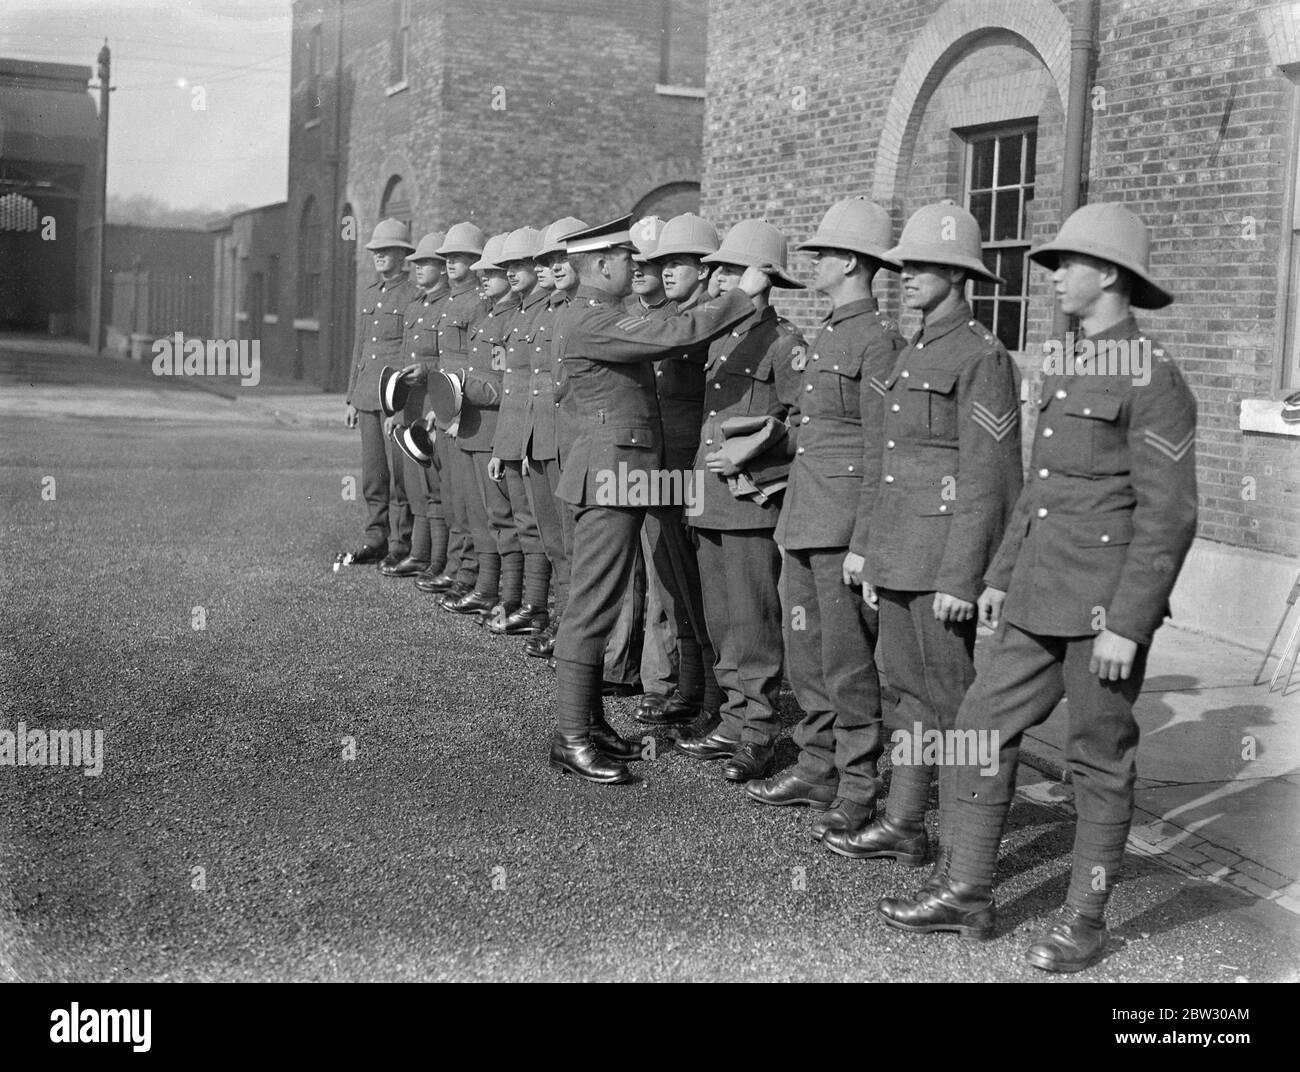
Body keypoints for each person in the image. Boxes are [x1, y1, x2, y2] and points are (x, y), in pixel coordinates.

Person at [878, 202, 1197, 974]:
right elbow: (1039, 490)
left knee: (1098, 760)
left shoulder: (1155, 378)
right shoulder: (1066, 362)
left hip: (1102, 611)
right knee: (977, 730)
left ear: (1110, 275)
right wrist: (998, 577)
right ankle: (968, 892)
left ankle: (1084, 919)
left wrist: (1129, 622)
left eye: (1067, 264)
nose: (1052, 276)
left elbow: (1170, 515)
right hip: (1034, 598)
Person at [822, 202, 1022, 871]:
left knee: (957, 710)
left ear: (959, 274)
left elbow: (988, 479)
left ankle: (970, 863)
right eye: (905, 263)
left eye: (926, 265)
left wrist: (965, 580)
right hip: (901, 556)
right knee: (906, 697)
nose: (908, 274)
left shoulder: (982, 356)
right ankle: (905, 823)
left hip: (941, 567)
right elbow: (884, 461)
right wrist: (872, 551)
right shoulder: (915, 349)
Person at [549, 214, 772, 785]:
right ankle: (572, 736)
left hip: (624, 471)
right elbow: (671, 335)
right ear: (600, 266)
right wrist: (741, 296)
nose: (637, 266)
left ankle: (591, 725)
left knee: (603, 595)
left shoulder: (600, 317)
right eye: (628, 258)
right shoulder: (594, 320)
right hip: (611, 474)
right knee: (593, 602)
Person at [749, 198, 903, 836]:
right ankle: (817, 767)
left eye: (822, 254)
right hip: (805, 513)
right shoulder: (834, 332)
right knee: (804, 651)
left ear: (849, 261)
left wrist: (866, 541)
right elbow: (809, 430)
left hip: (842, 524)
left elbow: (881, 450)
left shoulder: (878, 340)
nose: (813, 263)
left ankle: (859, 783)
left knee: (847, 660)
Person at [667, 218, 805, 785]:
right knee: (722, 615)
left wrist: (751, 453)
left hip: (750, 501)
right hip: (708, 496)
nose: (715, 276)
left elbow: (804, 425)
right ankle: (731, 716)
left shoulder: (786, 342)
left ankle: (760, 731)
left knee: (753, 618)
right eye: (717, 268)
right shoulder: (718, 335)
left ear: (759, 275)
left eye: (726, 268)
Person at [633, 213, 727, 730]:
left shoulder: (708, 318)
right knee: (674, 579)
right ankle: (691, 686)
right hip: (660, 464)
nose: (667, 271)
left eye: (679, 262)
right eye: (663, 263)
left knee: (699, 582)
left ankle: (714, 696)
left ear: (705, 269)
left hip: (693, 468)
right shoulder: (674, 316)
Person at [442, 233, 523, 619]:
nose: (486, 278)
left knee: (500, 516)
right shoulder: (487, 314)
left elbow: (503, 386)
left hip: (494, 429)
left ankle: (505, 594)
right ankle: (486, 587)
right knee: (478, 515)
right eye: (484, 272)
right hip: (473, 428)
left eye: (495, 272)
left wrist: (463, 385)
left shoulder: (511, 320)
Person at [519, 217, 587, 660]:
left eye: (562, 258)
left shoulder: (587, 310)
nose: (555, 266)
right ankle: (563, 624)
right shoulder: (548, 310)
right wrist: (527, 440)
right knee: (556, 542)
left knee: (578, 544)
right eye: (547, 260)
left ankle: (574, 633)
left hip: (576, 441)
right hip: (545, 437)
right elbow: (533, 382)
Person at [340, 218, 420, 567]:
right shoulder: (371, 293)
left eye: (388, 251)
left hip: (396, 399)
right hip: (367, 396)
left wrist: (401, 409)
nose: (380, 256)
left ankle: (401, 543)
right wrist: (351, 398)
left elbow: (409, 353)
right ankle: (376, 537)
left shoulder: (413, 295)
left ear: (403, 255)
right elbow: (360, 348)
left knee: (400, 474)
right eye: (376, 251)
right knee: (373, 473)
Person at [487, 226, 553, 635]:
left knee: (536, 527)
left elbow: (538, 389)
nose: (511, 272)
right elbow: (511, 387)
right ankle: (528, 605)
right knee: (521, 523)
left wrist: (527, 444)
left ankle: (538, 609)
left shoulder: (546, 313)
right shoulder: (519, 313)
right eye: (507, 266)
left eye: (520, 264)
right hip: (513, 433)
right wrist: (502, 445)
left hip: (533, 436)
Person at [421, 222, 488, 600]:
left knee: (467, 500)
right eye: (446, 258)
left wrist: (458, 412)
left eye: (459, 258)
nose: (449, 264)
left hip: (468, 410)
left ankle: (468, 573)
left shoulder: (478, 303)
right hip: (447, 406)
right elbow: (443, 364)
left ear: (476, 261)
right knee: (450, 496)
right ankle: (455, 568)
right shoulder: (451, 300)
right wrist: (437, 409)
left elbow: (475, 366)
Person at [385, 231, 449, 582]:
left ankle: (438, 560)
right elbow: (400, 359)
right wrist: (394, 407)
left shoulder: (448, 306)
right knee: (414, 483)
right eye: (417, 263)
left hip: (432, 404)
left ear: (442, 267)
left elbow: (455, 360)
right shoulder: (414, 307)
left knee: (434, 484)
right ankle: (418, 552)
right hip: (410, 405)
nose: (419, 269)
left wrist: (429, 371)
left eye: (426, 263)